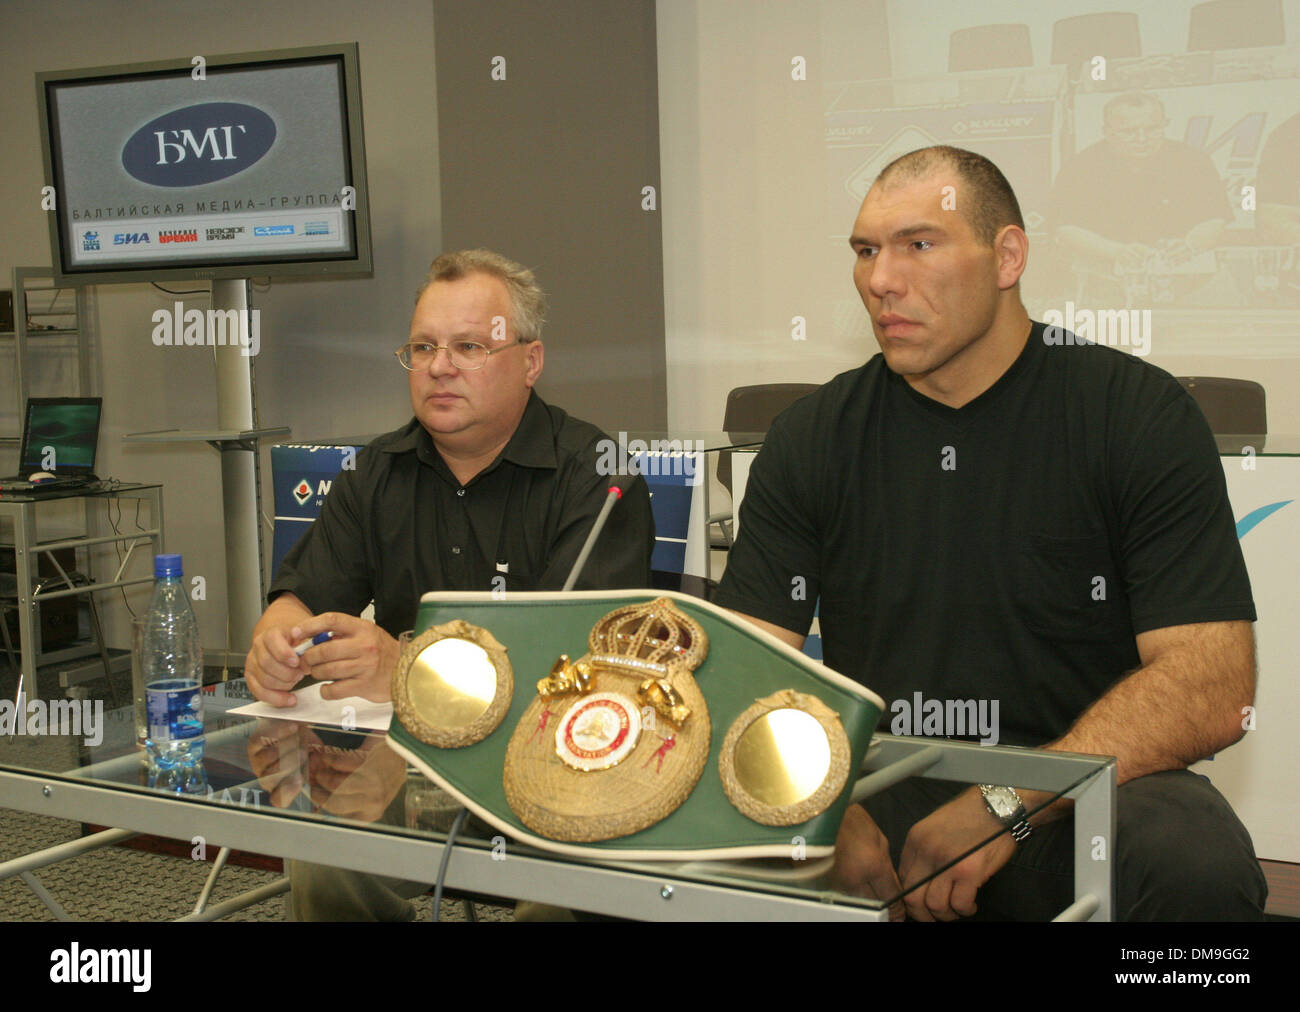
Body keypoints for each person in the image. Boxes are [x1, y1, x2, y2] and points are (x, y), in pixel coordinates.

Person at [714, 145, 1266, 921]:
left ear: (1008, 256)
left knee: (1191, 860)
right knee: (712, 839)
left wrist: (1003, 802)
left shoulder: (1133, 415)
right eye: (866, 251)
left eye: (919, 244)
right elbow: (743, 666)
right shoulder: (813, 438)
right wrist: (822, 805)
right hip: (878, 791)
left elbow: (1212, 687)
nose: (881, 279)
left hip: (1071, 796)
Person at [243, 248, 655, 919]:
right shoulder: (377, 471)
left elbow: (583, 684)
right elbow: (300, 600)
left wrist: (406, 669)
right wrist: (275, 642)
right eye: (423, 347)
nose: (439, 366)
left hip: (560, 773)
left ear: (530, 361)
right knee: (322, 860)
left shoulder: (598, 481)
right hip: (413, 770)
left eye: (469, 346)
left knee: (555, 910)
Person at [1050, 91, 1232, 272]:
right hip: (1103, 274)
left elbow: (1215, 218)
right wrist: (1116, 251)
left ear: (1164, 124)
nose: (1142, 139)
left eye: (1152, 129)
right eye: (1129, 132)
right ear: (1107, 132)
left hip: (1185, 270)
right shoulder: (1081, 167)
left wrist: (1191, 244)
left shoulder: (1193, 161)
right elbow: (1066, 228)